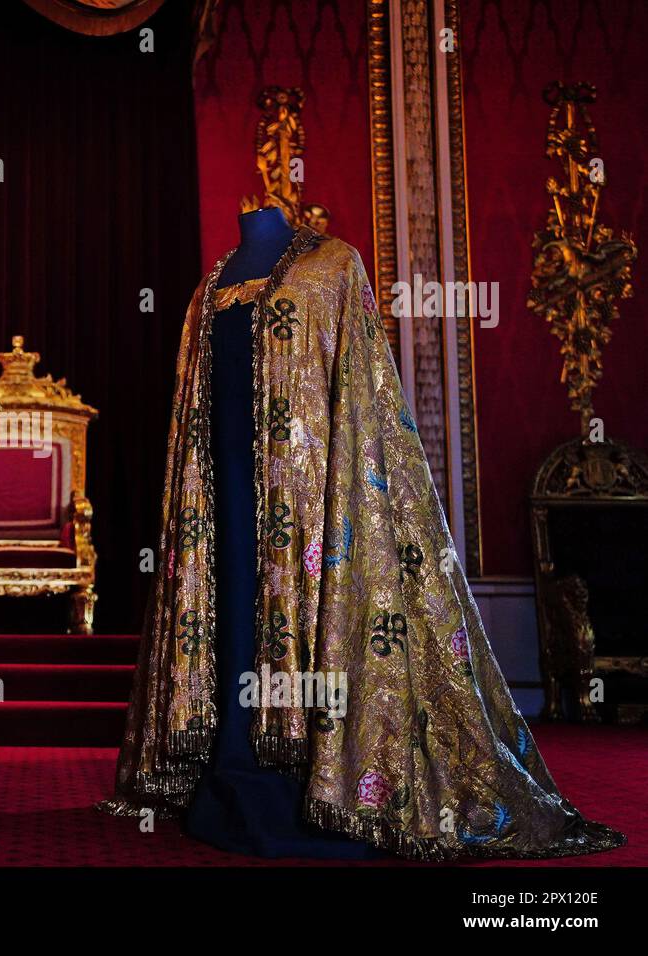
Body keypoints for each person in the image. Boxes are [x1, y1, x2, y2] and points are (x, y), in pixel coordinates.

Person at [99, 207, 625, 861]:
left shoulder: (333, 265)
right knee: (235, 622)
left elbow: (362, 393)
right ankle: (233, 757)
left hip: (314, 495)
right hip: (224, 492)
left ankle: (316, 774)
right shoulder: (210, 286)